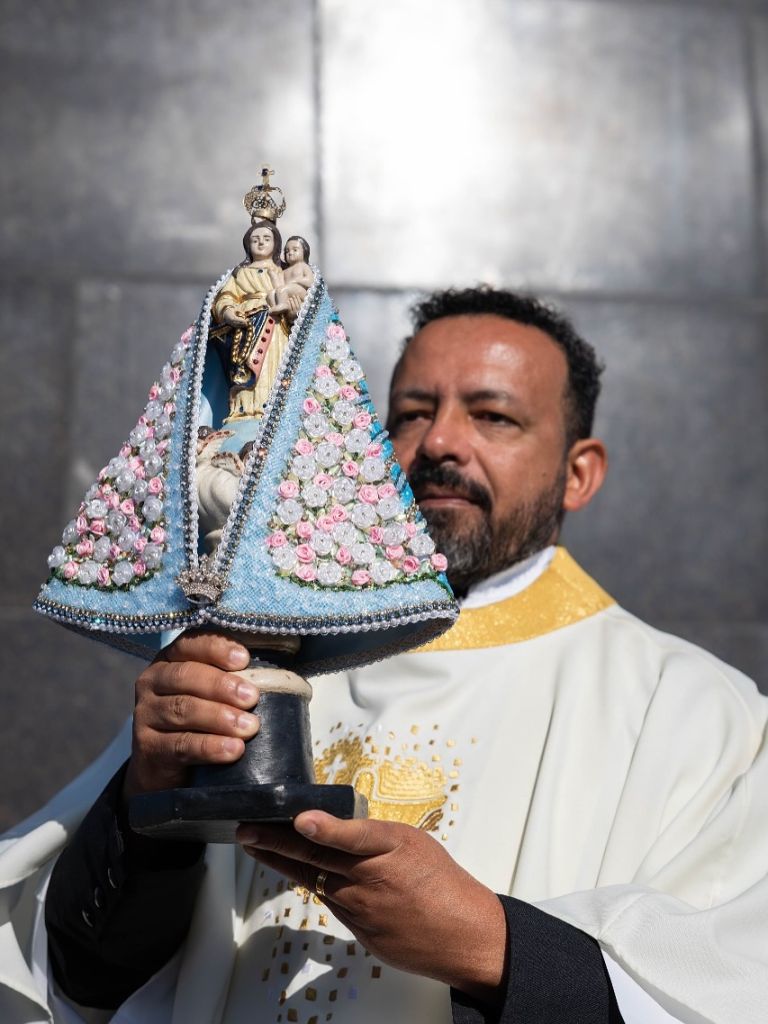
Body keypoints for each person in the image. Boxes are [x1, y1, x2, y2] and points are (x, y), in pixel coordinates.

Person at [5, 288, 767, 1024]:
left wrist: (492, 945)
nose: (438, 443)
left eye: (493, 416)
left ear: (579, 473)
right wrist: (149, 807)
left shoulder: (696, 716)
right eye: (410, 413)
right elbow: (81, 979)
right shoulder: (266, 657)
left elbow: (725, 990)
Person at [266, 235, 314, 316]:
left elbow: (310, 282)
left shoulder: (303, 266)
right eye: (287, 251)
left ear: (304, 252)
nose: (290, 253)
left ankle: (283, 305)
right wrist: (273, 276)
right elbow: (278, 286)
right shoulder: (284, 271)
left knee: (282, 290)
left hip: (300, 292)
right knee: (271, 293)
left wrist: (296, 281)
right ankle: (277, 310)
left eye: (295, 250)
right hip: (286, 292)